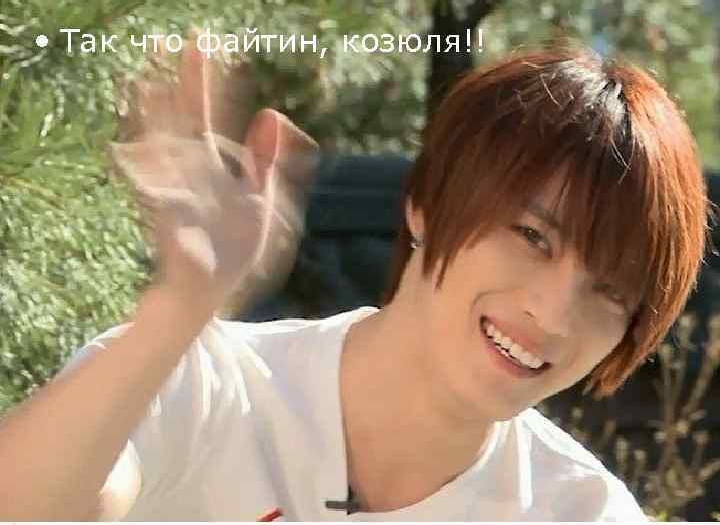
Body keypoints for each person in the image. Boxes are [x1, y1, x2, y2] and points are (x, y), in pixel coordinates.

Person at [0, 40, 709, 521]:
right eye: (532, 237)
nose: (554, 314)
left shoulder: (580, 511)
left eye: (611, 290)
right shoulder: (199, 383)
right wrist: (179, 306)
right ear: (425, 203)